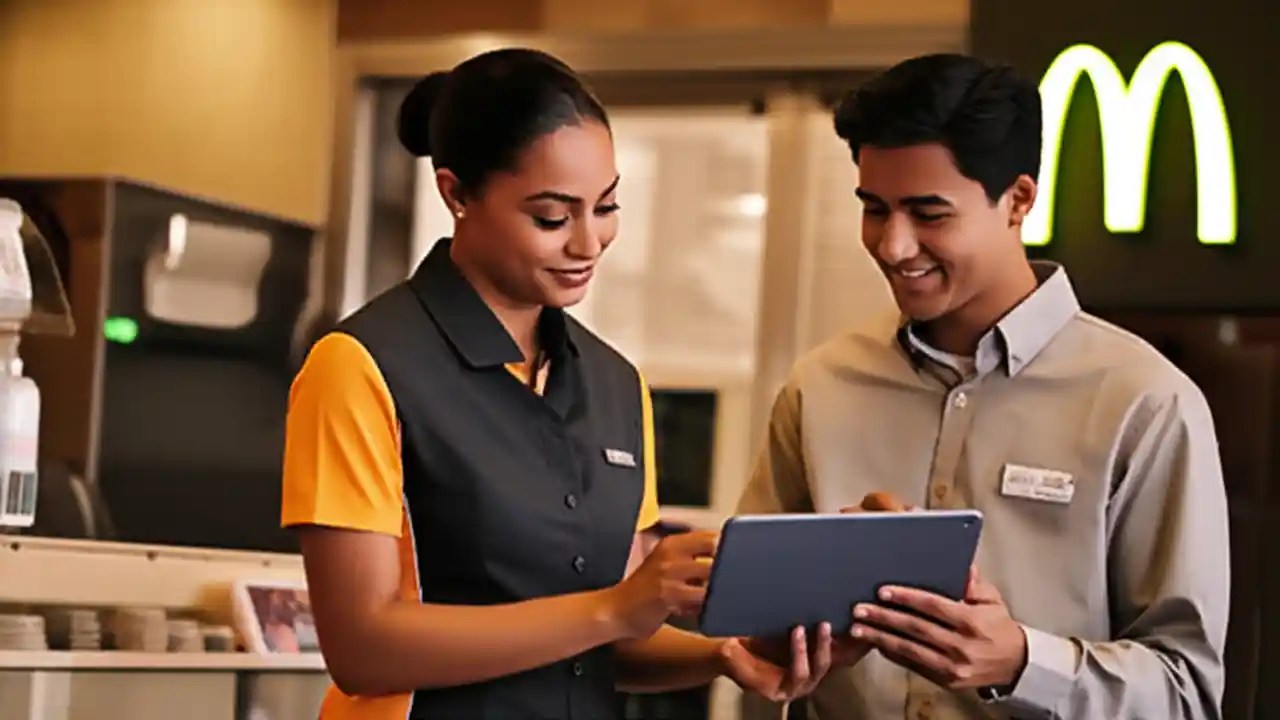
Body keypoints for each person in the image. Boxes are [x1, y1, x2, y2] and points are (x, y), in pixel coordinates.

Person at [281, 48, 852, 720]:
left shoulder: (615, 384)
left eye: (605, 207)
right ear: (455, 194)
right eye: (552, 217)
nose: (589, 243)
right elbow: (362, 648)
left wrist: (723, 655)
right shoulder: (361, 365)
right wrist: (615, 607)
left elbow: (615, 637)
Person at [738, 53, 1229, 720]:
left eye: (929, 214)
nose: (893, 246)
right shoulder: (821, 387)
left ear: (1019, 200)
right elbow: (750, 636)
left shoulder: (1144, 403)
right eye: (875, 209)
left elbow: (1186, 692)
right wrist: (807, 623)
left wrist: (1022, 662)